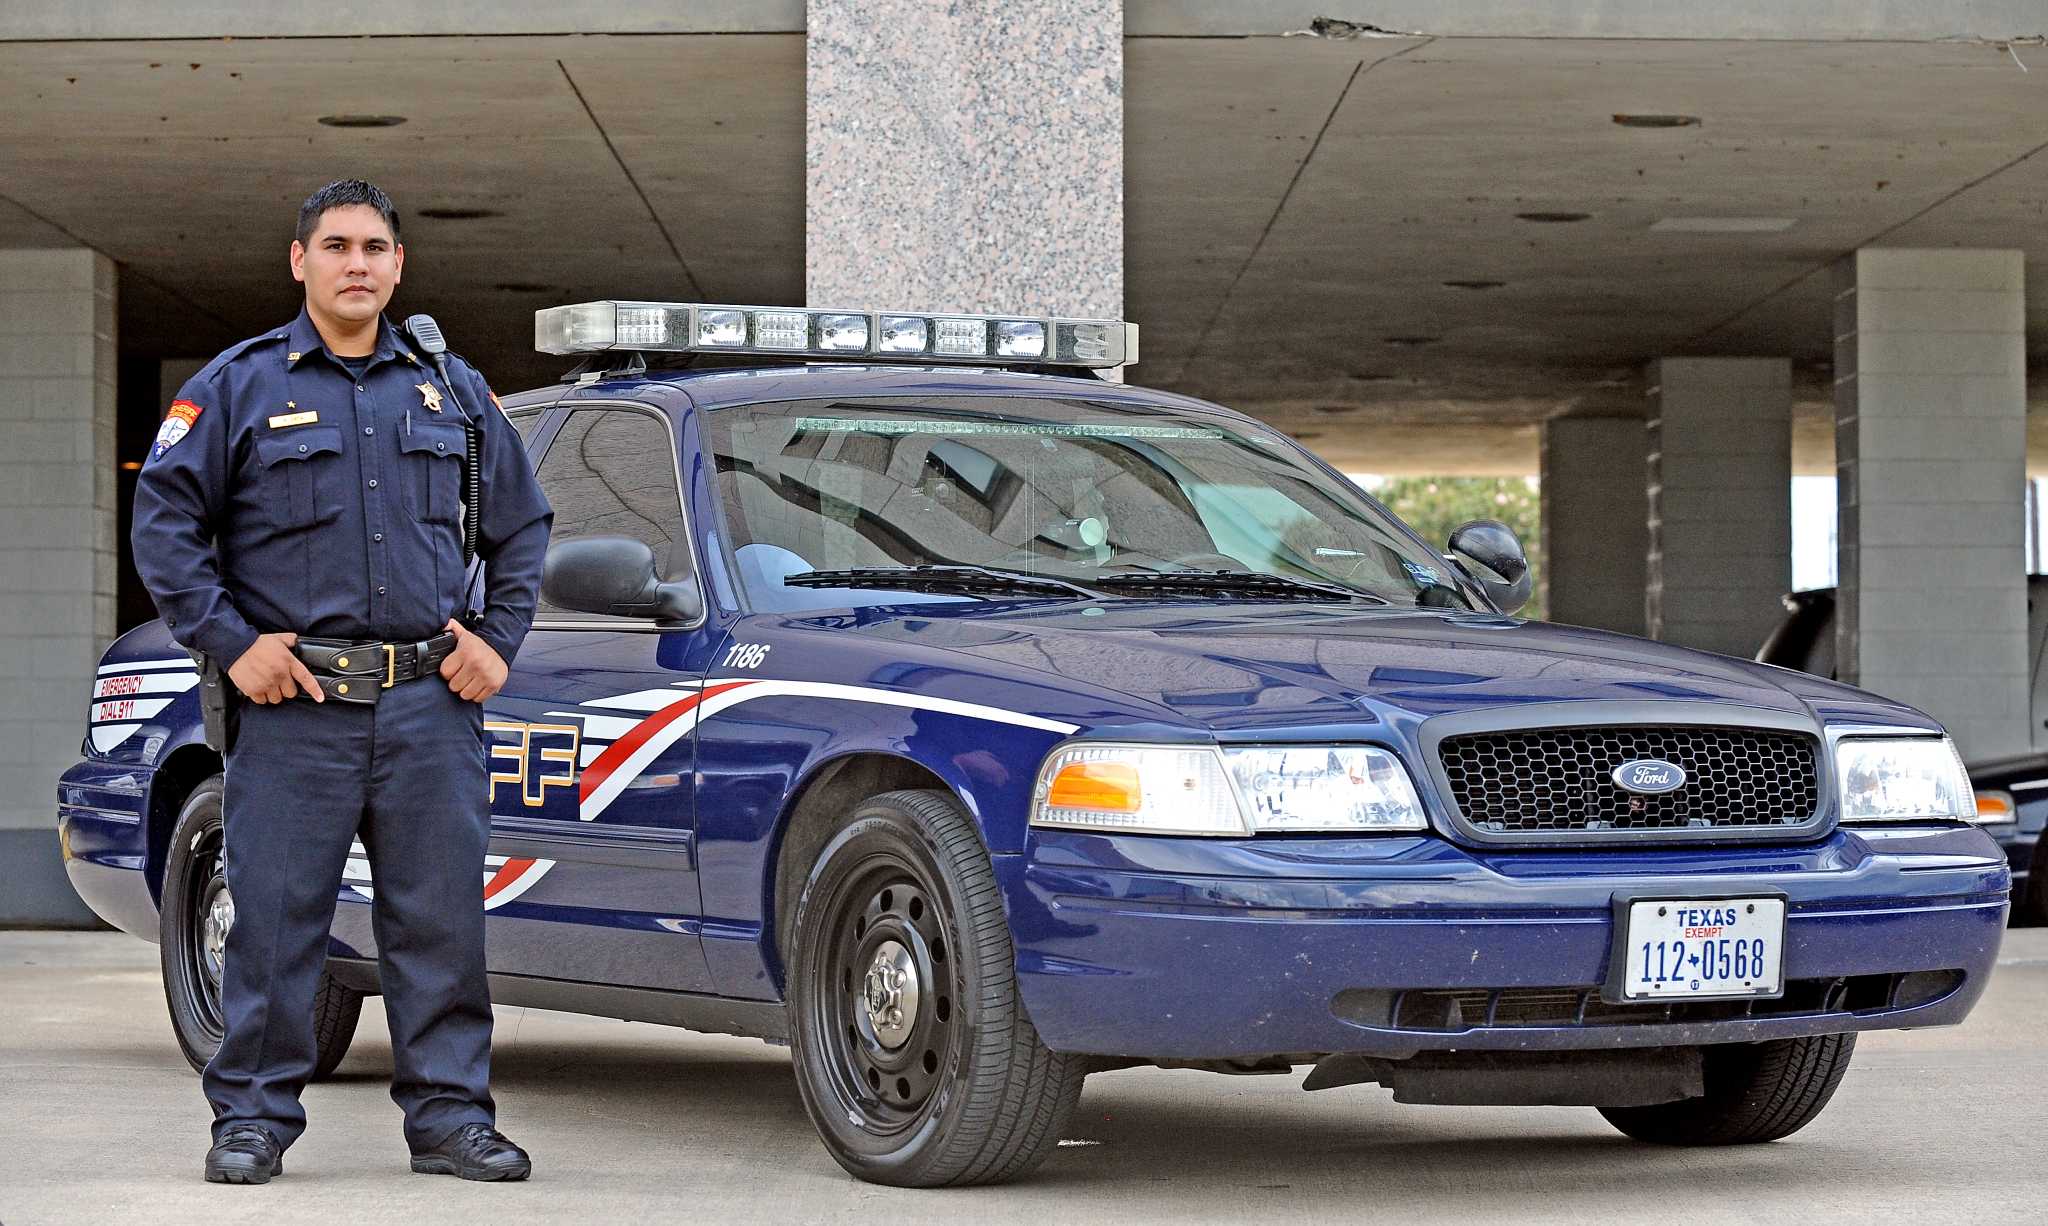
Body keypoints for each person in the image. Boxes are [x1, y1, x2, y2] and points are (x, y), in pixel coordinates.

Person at [131, 179, 553, 1184]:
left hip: (429, 706)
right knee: (274, 924)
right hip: (293, 708)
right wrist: (233, 644)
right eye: (335, 245)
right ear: (299, 261)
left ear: (398, 264)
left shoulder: (450, 389)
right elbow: (165, 526)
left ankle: (451, 1120)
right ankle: (252, 1121)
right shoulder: (237, 386)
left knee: (439, 921)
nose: (355, 262)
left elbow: (522, 524)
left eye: (373, 246)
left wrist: (498, 636)